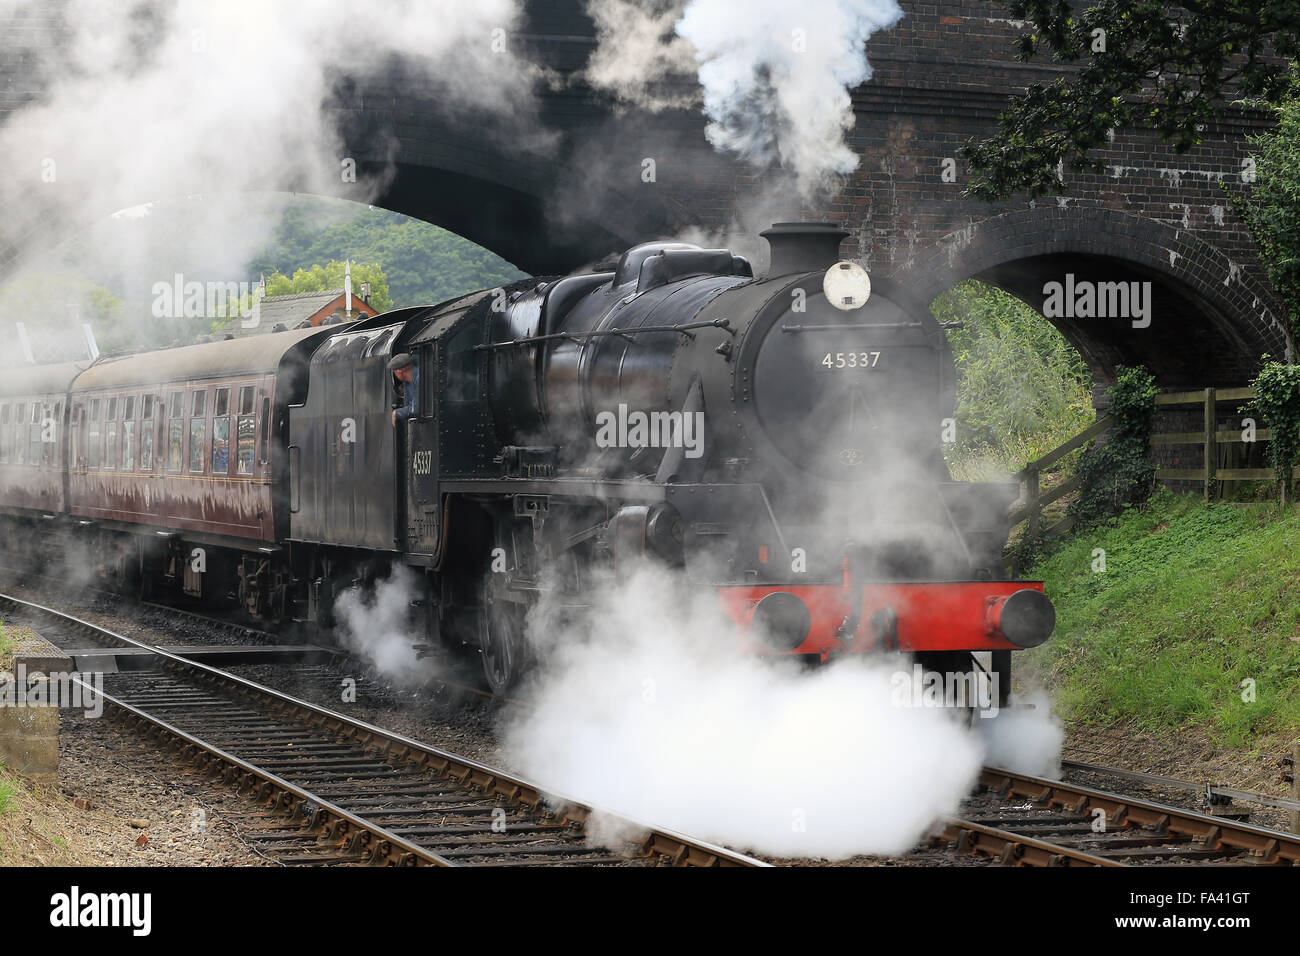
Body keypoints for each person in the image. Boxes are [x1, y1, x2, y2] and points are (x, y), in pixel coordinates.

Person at [388, 352, 418, 427]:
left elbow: (416, 408)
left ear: (399, 371)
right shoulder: (407, 382)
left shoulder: (419, 379)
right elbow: (408, 405)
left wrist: (396, 413)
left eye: (394, 371)